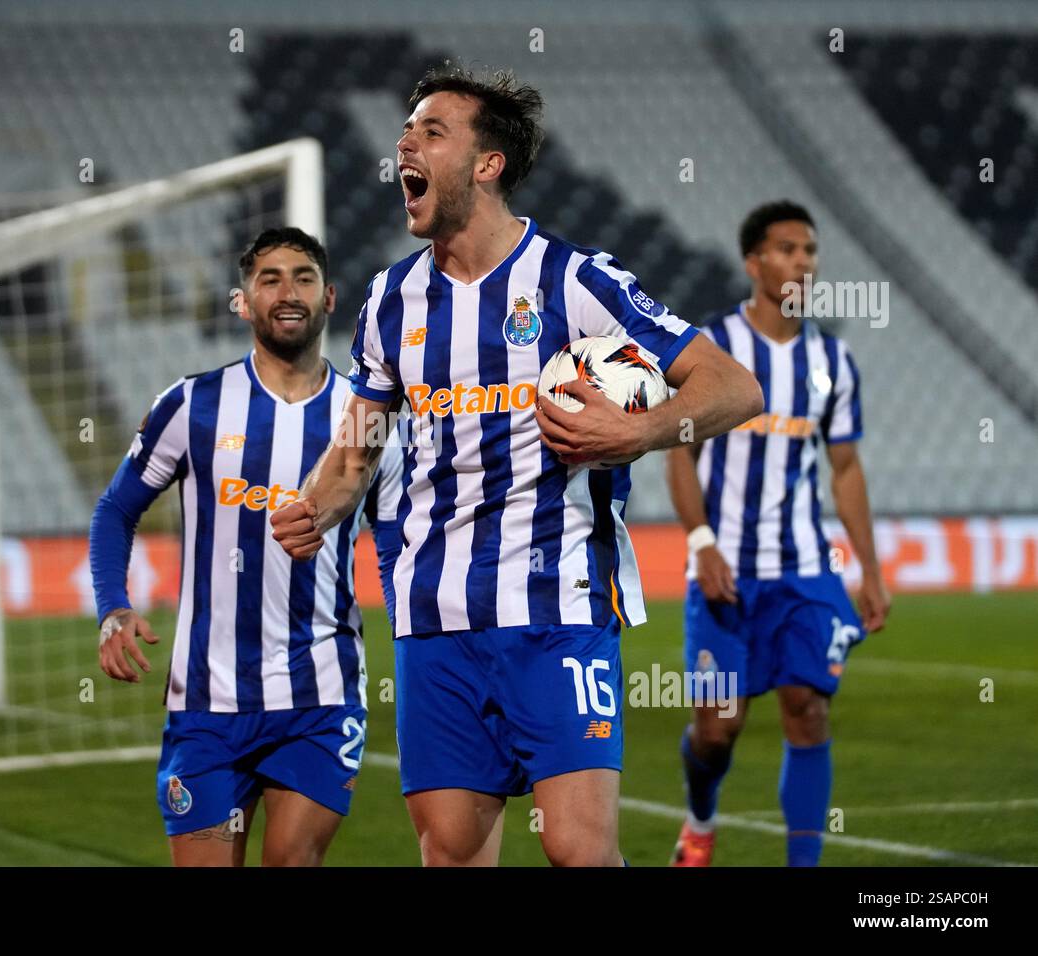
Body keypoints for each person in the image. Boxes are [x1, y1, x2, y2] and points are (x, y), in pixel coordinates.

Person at [272, 66, 762, 867]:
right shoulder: (390, 302)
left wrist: (644, 434)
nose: (405, 143)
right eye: (407, 129)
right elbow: (357, 444)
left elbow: (733, 386)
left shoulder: (577, 280)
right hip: (433, 621)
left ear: (487, 163)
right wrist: (317, 504)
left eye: (432, 130)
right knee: (454, 856)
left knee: (579, 853)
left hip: (554, 608)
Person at [89, 228, 403, 866]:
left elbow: (399, 542)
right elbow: (116, 509)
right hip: (207, 701)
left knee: (292, 861)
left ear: (330, 297)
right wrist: (112, 606)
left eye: (304, 278)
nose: (288, 293)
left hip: (320, 695)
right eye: (270, 279)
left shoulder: (366, 418)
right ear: (242, 301)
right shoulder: (192, 404)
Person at [667, 200, 891, 867]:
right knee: (717, 729)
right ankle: (699, 821)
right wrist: (701, 543)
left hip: (803, 569)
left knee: (808, 708)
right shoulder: (715, 350)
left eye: (811, 251)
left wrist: (871, 572)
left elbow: (844, 468)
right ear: (753, 261)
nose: (803, 262)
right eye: (788, 249)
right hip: (725, 568)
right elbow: (680, 452)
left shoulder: (832, 363)